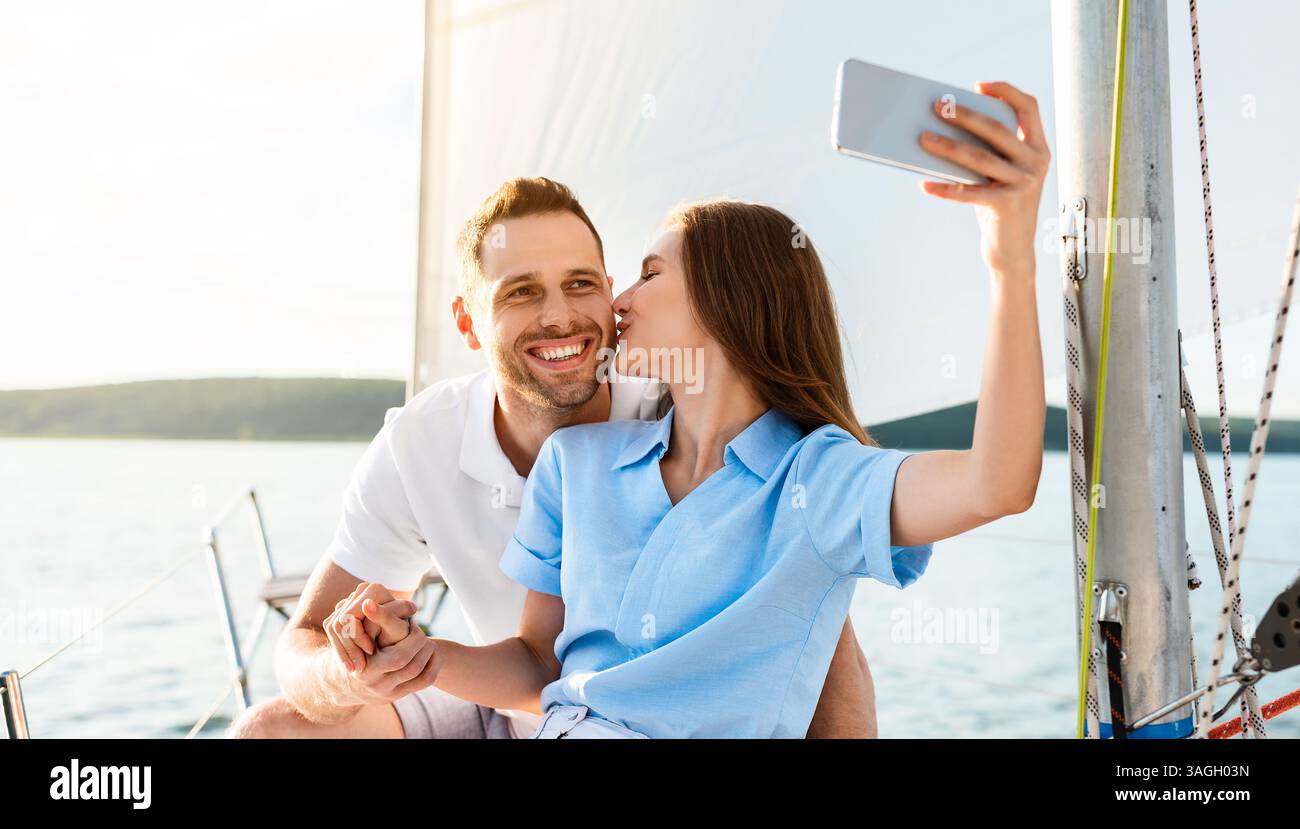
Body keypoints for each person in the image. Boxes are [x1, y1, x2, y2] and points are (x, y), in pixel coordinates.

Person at [366, 80, 1049, 737]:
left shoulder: (823, 480)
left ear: (726, 303)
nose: (619, 301)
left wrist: (1008, 258)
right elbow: (540, 664)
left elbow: (998, 483)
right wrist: (422, 655)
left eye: (650, 273)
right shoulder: (573, 465)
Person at [229, 176, 881, 739]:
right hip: (497, 704)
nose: (561, 317)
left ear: (611, 290)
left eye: (580, 284)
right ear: (467, 322)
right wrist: (355, 667)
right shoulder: (420, 443)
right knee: (268, 730)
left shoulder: (677, 399)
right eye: (520, 292)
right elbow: (303, 642)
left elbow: (819, 627)